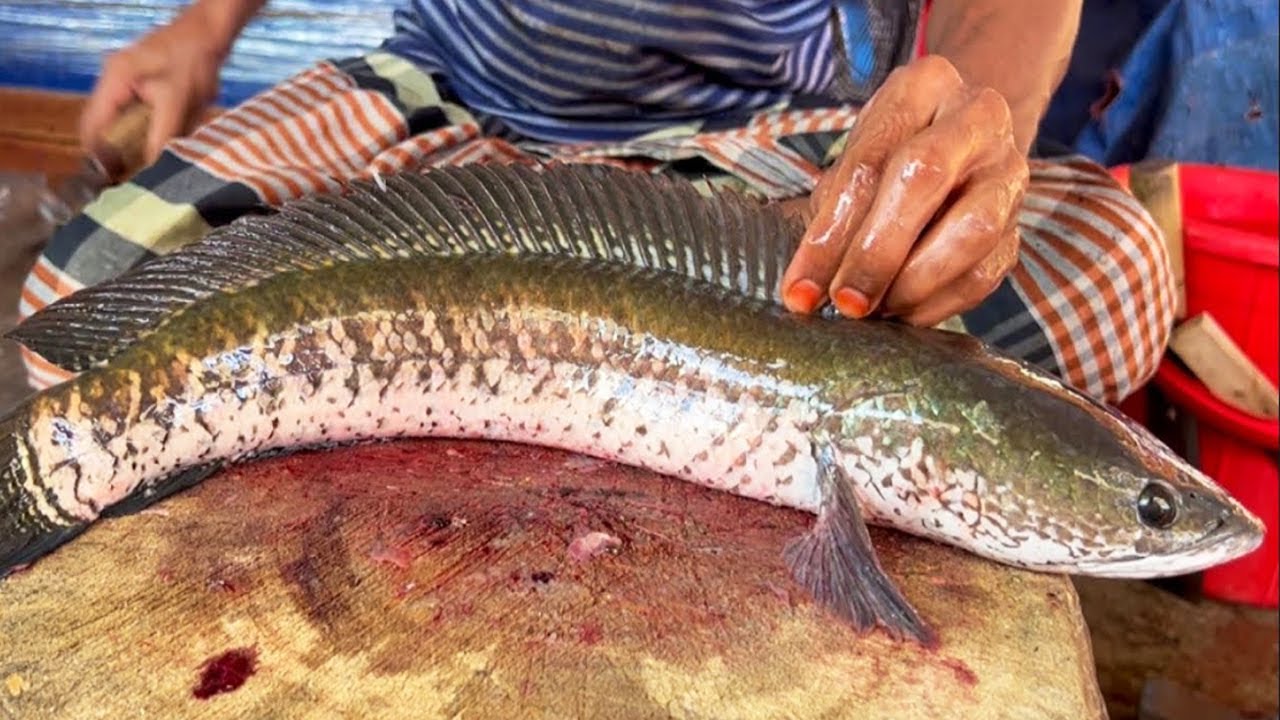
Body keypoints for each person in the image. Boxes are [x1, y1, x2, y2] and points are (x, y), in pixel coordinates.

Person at [19, 0, 1175, 406]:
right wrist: (203, 27)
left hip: (758, 153)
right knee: (89, 301)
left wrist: (975, 126)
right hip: (446, 102)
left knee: (1116, 271)